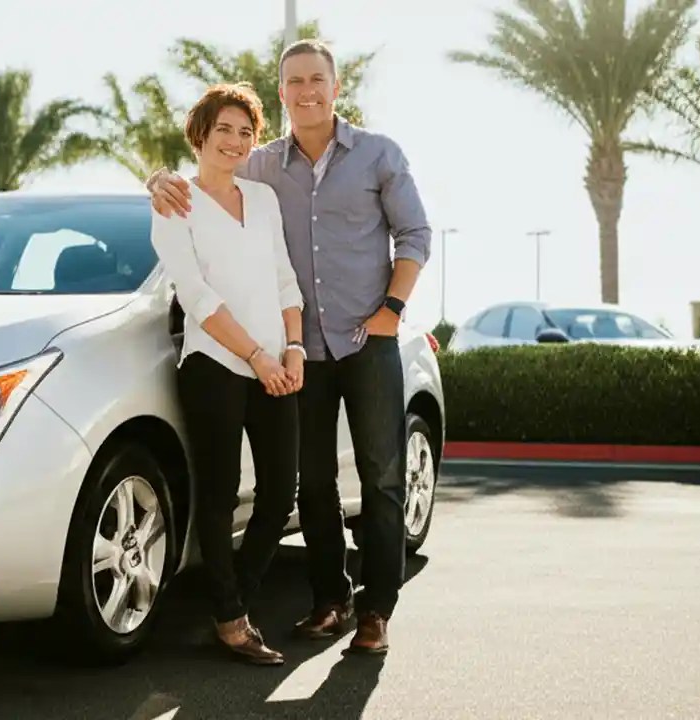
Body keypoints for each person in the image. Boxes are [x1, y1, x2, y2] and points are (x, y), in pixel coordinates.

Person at [147, 39, 432, 656]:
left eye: (317, 80)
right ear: (282, 93)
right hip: (285, 355)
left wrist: (391, 312)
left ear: (336, 86)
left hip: (361, 340)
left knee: (381, 478)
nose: (307, 91)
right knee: (313, 483)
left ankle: (376, 610)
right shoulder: (263, 166)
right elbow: (204, 177)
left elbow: (414, 234)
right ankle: (328, 600)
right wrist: (157, 177)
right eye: (294, 81)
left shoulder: (377, 155)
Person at [150, 82, 305, 665]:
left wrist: (291, 349)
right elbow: (196, 295)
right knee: (219, 495)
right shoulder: (173, 203)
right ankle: (232, 619)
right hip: (215, 365)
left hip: (276, 364)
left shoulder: (262, 199)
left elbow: (285, 277)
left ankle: (232, 598)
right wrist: (256, 358)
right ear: (201, 133)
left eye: (246, 132)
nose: (236, 141)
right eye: (225, 130)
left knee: (278, 492)